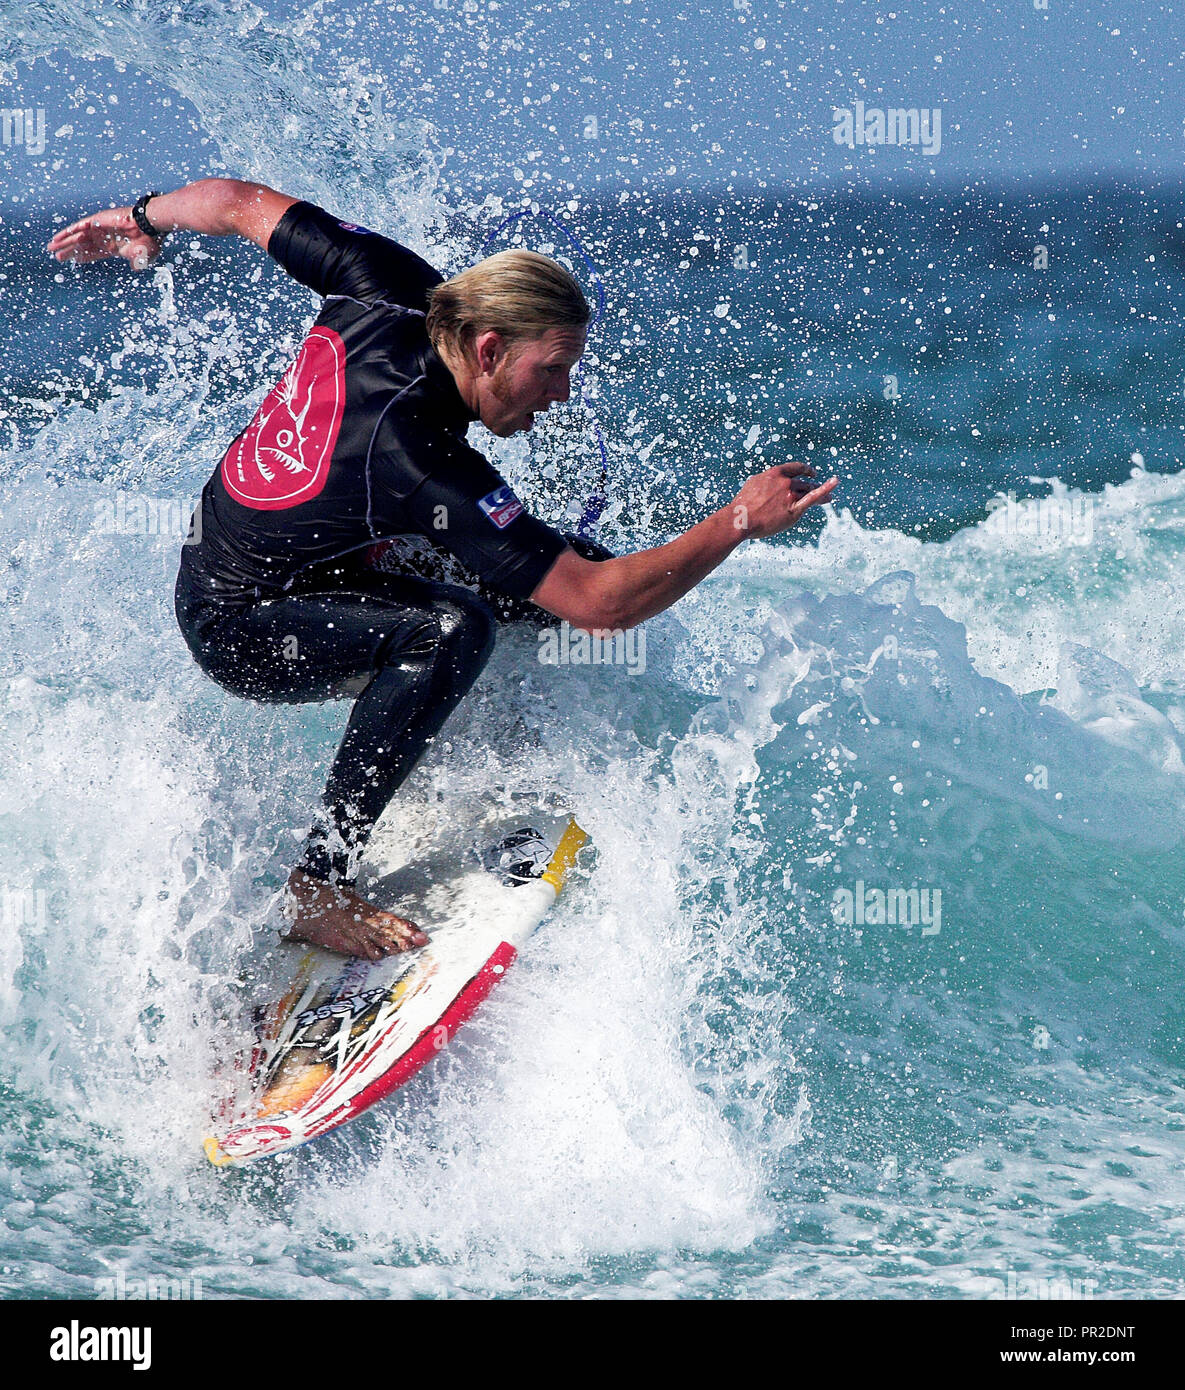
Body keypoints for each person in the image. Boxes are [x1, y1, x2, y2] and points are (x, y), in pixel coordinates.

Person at [47, 178, 838, 961]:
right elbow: (604, 607)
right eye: (551, 370)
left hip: (308, 553)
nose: (561, 396)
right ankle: (318, 884)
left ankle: (493, 742)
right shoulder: (418, 457)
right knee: (454, 629)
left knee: (559, 573)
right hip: (243, 624)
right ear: (489, 350)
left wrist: (142, 216)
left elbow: (235, 202)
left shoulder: (388, 283)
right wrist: (738, 521)